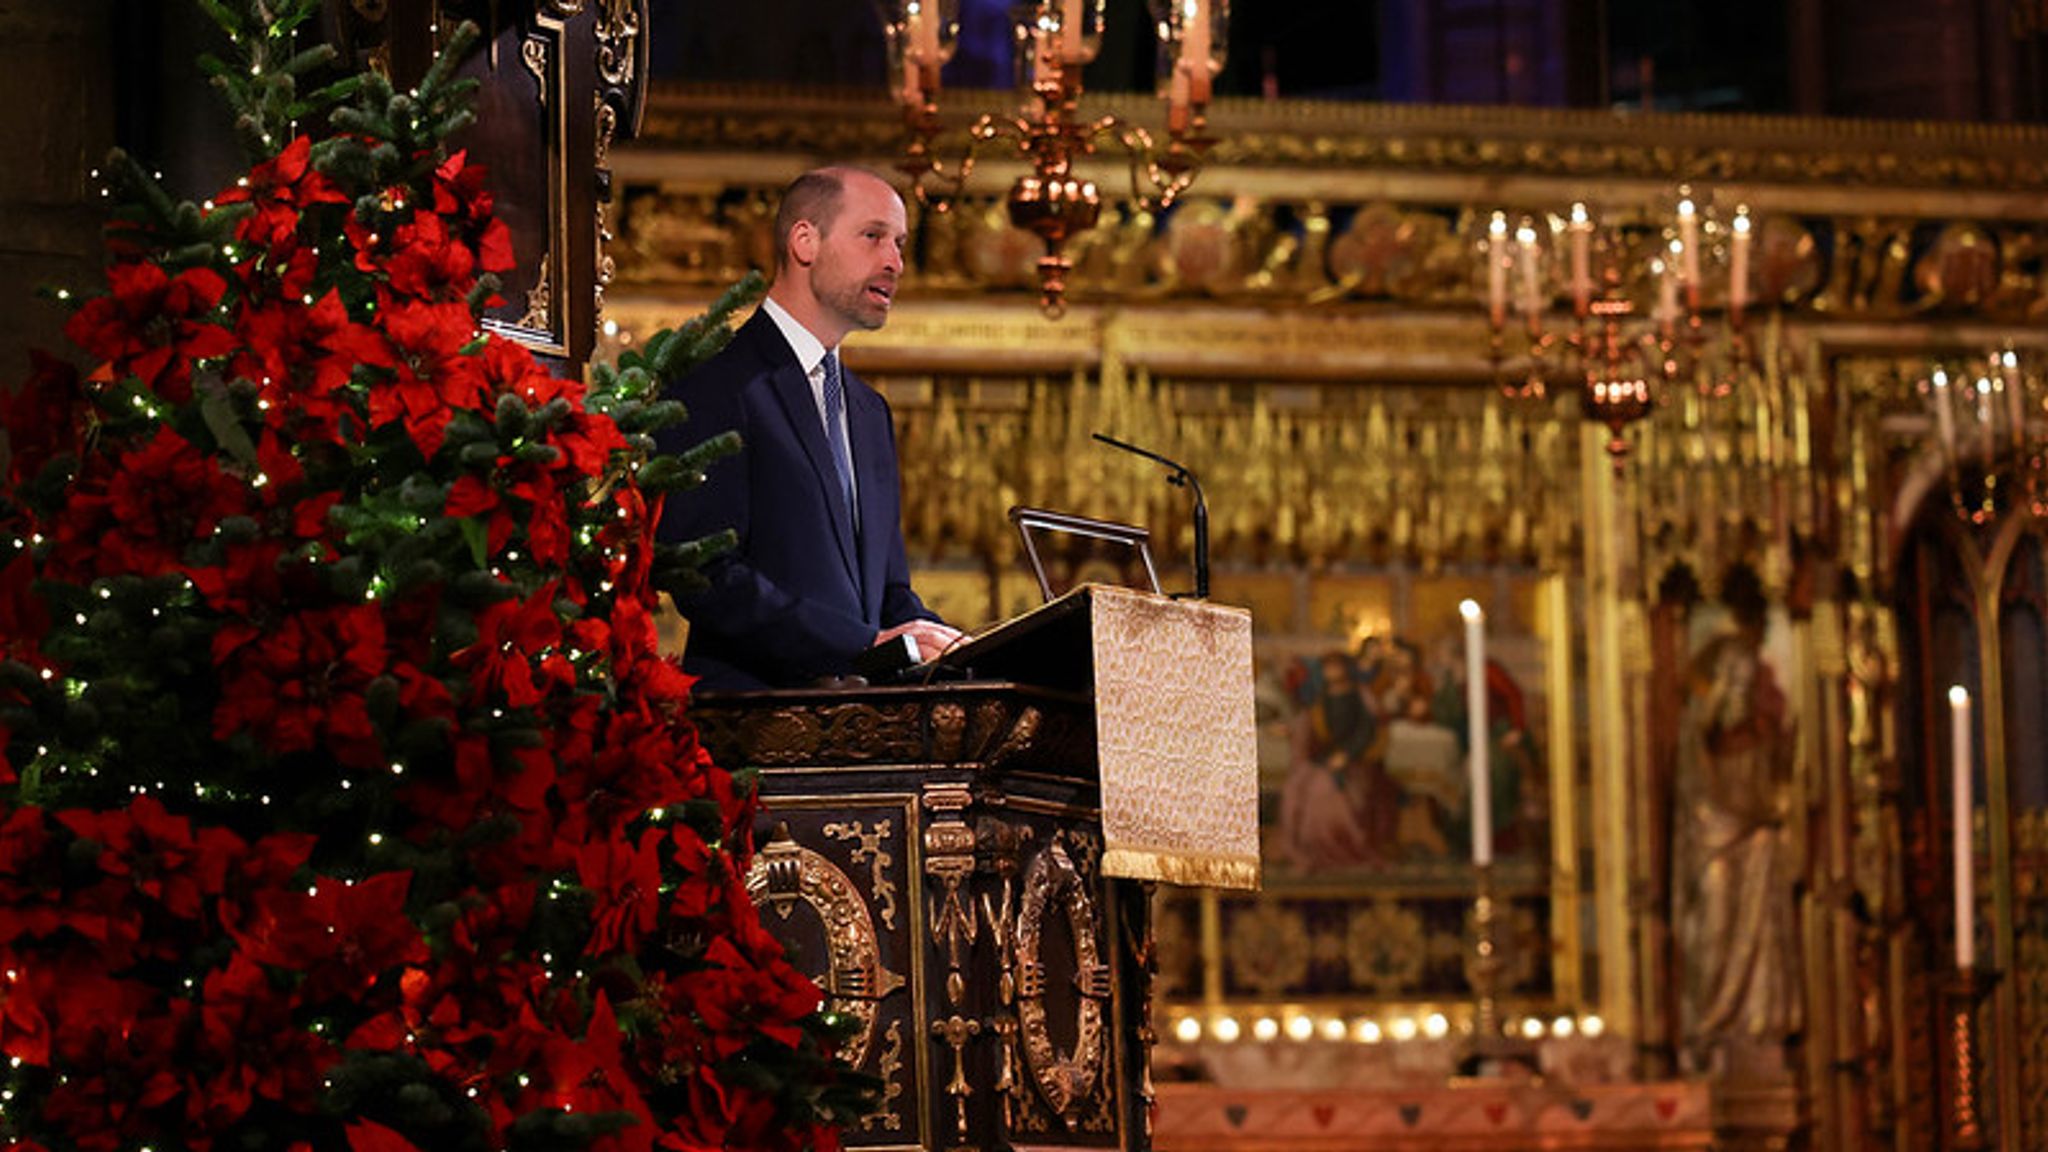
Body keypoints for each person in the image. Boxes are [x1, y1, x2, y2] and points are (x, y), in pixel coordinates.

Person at [655, 166, 962, 690]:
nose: (895, 262)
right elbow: (705, 573)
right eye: (873, 237)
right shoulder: (716, 382)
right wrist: (857, 647)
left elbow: (887, 592)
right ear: (805, 241)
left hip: (863, 739)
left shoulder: (869, 411)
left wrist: (946, 643)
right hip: (757, 730)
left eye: (901, 244)